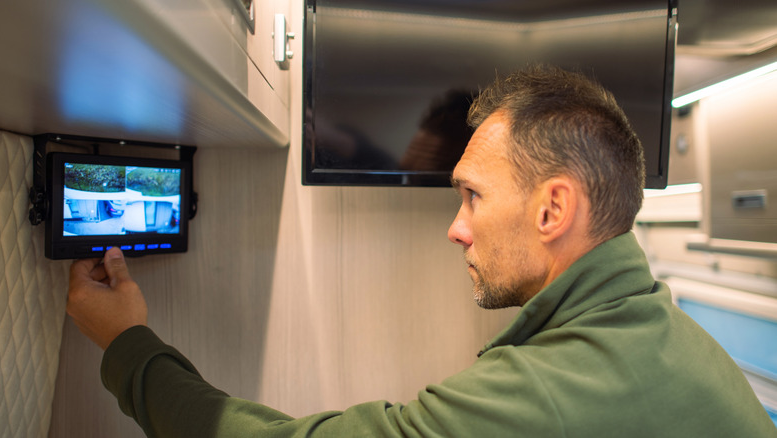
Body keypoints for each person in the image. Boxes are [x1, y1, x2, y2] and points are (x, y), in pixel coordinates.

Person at [67, 65, 777, 437]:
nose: (456, 228)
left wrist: (127, 343)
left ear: (552, 209)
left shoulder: (547, 392)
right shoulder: (668, 334)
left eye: (471, 196)